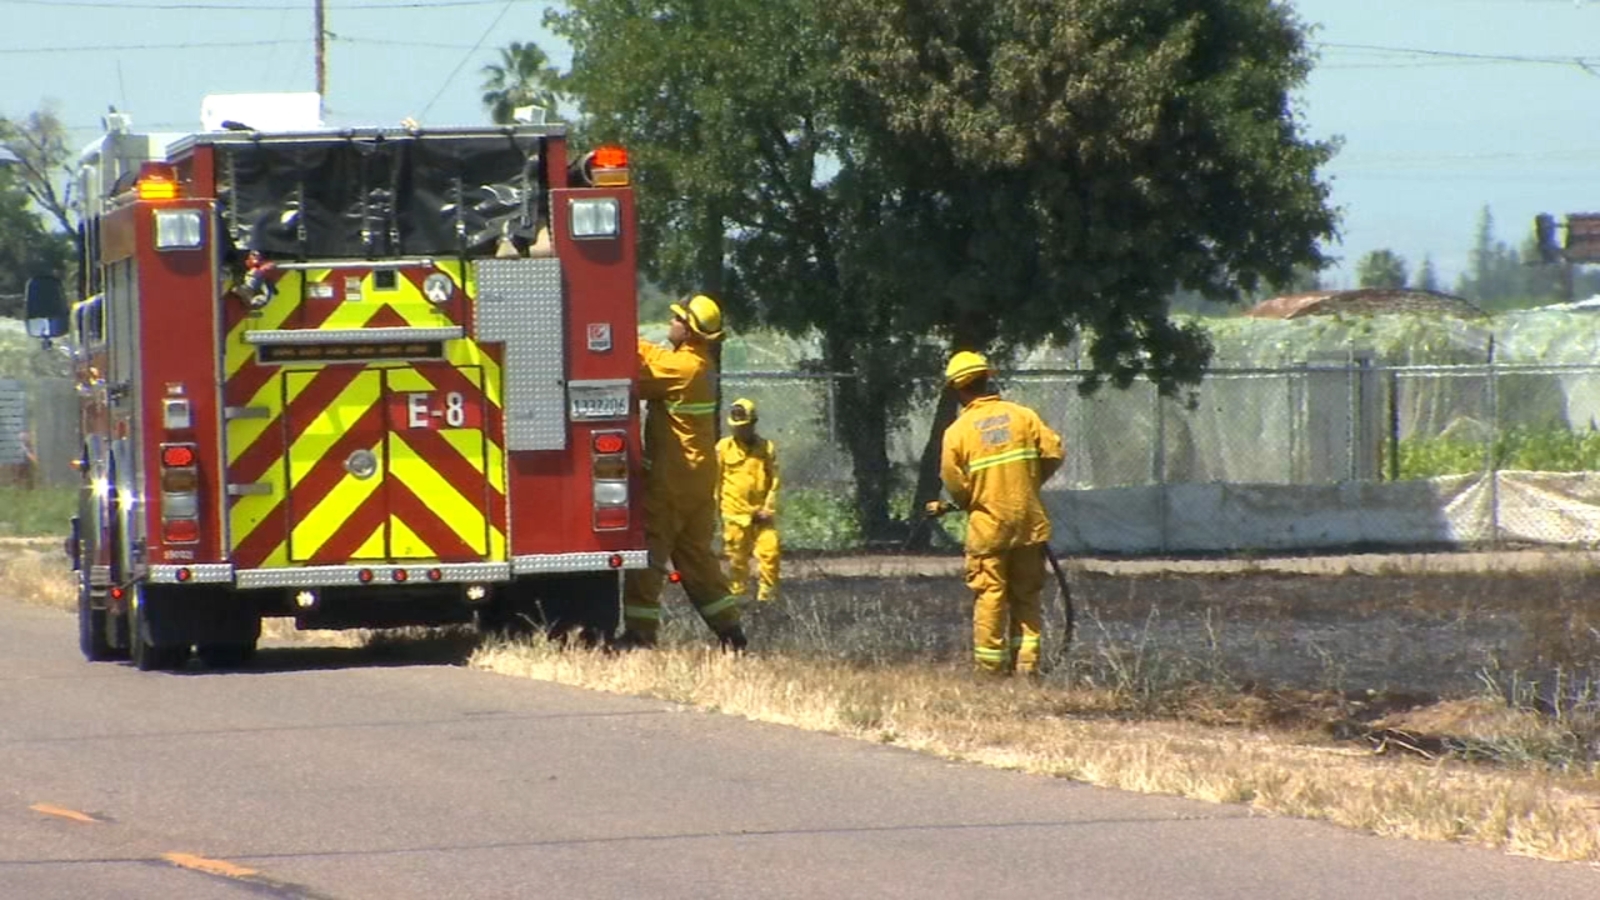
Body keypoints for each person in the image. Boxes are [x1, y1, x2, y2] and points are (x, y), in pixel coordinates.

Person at [617, 294, 748, 652]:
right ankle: (731, 633)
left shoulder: (682, 368)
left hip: (672, 480)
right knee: (696, 559)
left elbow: (634, 366)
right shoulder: (699, 365)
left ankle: (640, 636)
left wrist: (611, 326)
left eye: (676, 318)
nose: (669, 323)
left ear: (688, 330)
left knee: (649, 556)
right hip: (698, 479)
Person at [930, 351, 1063, 677]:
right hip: (1028, 522)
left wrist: (970, 499)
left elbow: (953, 482)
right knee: (1027, 594)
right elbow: (1054, 452)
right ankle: (1027, 667)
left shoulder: (957, 432)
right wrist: (1028, 482)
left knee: (990, 595)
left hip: (989, 528)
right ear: (989, 378)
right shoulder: (1023, 416)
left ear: (957, 390)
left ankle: (990, 672)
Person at [716, 398, 781, 604]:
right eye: (736, 427)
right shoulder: (723, 448)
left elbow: (775, 481)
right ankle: (737, 601)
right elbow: (715, 482)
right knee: (737, 562)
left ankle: (767, 601)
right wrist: (714, 512)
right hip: (734, 515)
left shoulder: (766, 448)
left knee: (771, 554)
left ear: (753, 423)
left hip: (762, 515)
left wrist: (768, 508)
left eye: (744, 427)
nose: (740, 431)